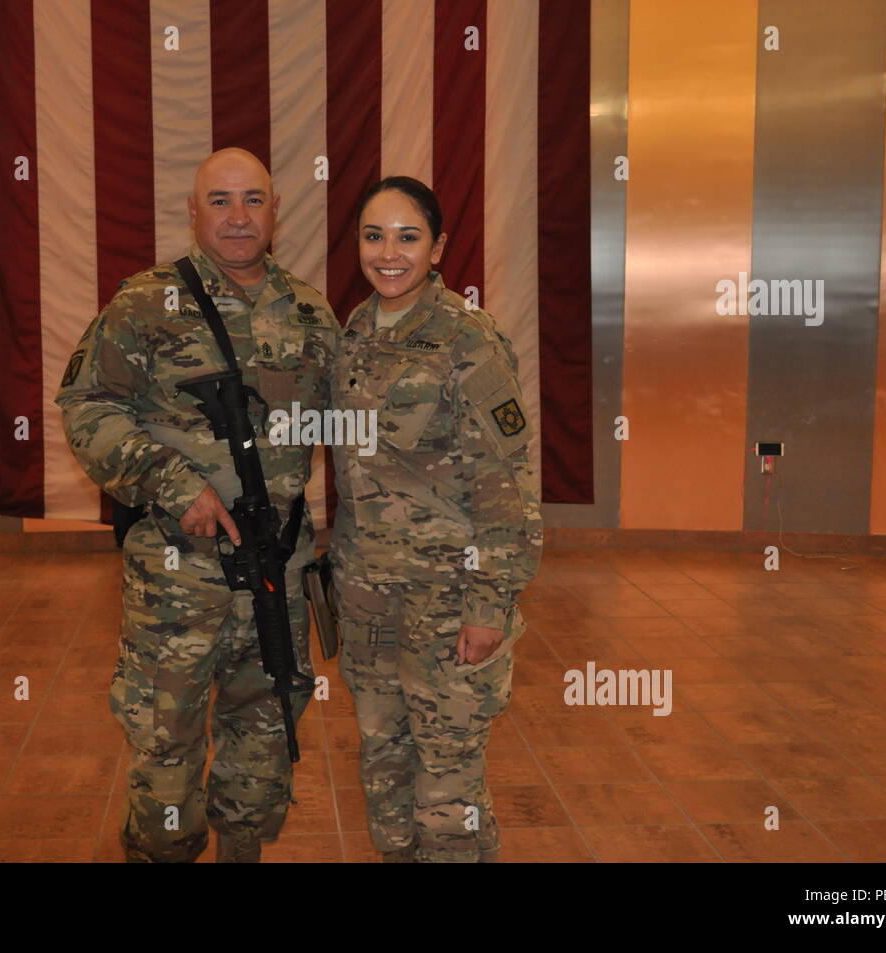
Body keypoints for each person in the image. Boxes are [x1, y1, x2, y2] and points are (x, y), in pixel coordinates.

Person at [55, 148, 339, 863]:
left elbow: (346, 426)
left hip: (277, 573)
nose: (238, 217)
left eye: (253, 200)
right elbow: (87, 407)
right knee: (167, 744)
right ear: (192, 211)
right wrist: (177, 484)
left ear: (277, 212)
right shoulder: (146, 303)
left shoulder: (310, 311)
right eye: (220, 200)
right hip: (178, 583)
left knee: (265, 737)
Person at [328, 176, 544, 863]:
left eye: (407, 236)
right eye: (373, 235)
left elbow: (508, 485)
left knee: (447, 789)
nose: (388, 253)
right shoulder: (357, 331)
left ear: (438, 246)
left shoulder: (467, 338)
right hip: (367, 599)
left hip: (448, 602)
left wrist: (488, 604)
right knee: (384, 767)